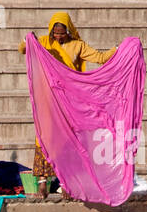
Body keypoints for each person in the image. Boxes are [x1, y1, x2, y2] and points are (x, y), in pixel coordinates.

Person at [20, 12, 117, 199]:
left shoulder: (77, 46)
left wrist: (118, 49)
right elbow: (23, 49)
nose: (58, 36)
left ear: (68, 31)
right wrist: (26, 40)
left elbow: (101, 58)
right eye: (55, 33)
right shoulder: (44, 42)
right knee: (45, 138)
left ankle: (67, 183)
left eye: (61, 33)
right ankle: (42, 183)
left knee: (68, 140)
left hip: (69, 100)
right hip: (48, 99)